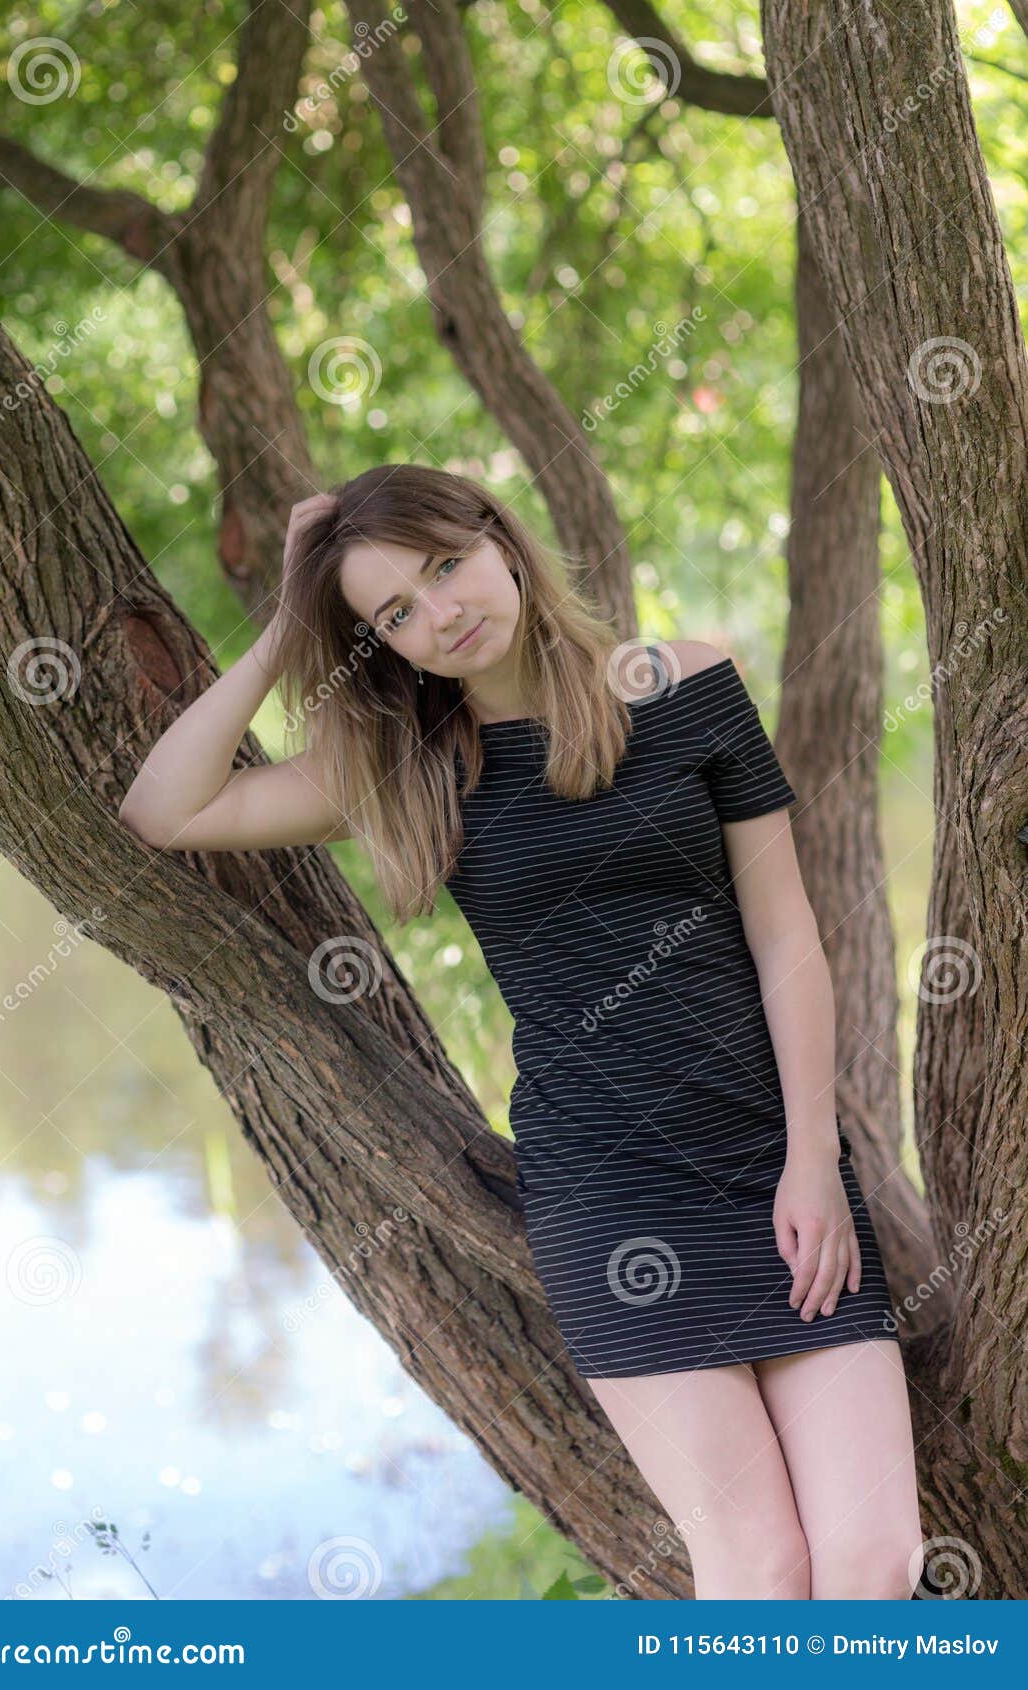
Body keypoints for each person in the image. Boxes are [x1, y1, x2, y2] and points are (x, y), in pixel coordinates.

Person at [119, 464, 923, 1600]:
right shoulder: (408, 770)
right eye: (393, 614)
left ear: (497, 539)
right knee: (757, 1566)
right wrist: (284, 629)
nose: (440, 615)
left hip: (771, 1158)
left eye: (445, 567)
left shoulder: (686, 685)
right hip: (611, 1193)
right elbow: (167, 810)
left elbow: (784, 928)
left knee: (873, 1563)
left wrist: (810, 1158)